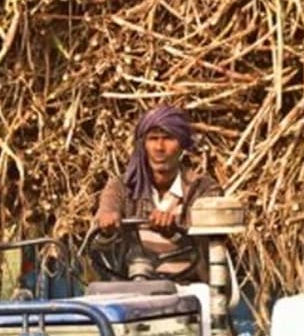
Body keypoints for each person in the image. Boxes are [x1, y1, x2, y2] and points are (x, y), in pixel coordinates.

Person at [92, 104, 221, 280]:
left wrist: (174, 230)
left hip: (187, 287)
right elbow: (104, 217)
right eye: (153, 139)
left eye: (168, 138)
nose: (159, 147)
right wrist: (106, 224)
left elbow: (207, 243)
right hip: (133, 285)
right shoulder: (122, 187)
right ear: (143, 145)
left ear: (182, 145)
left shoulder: (203, 188)